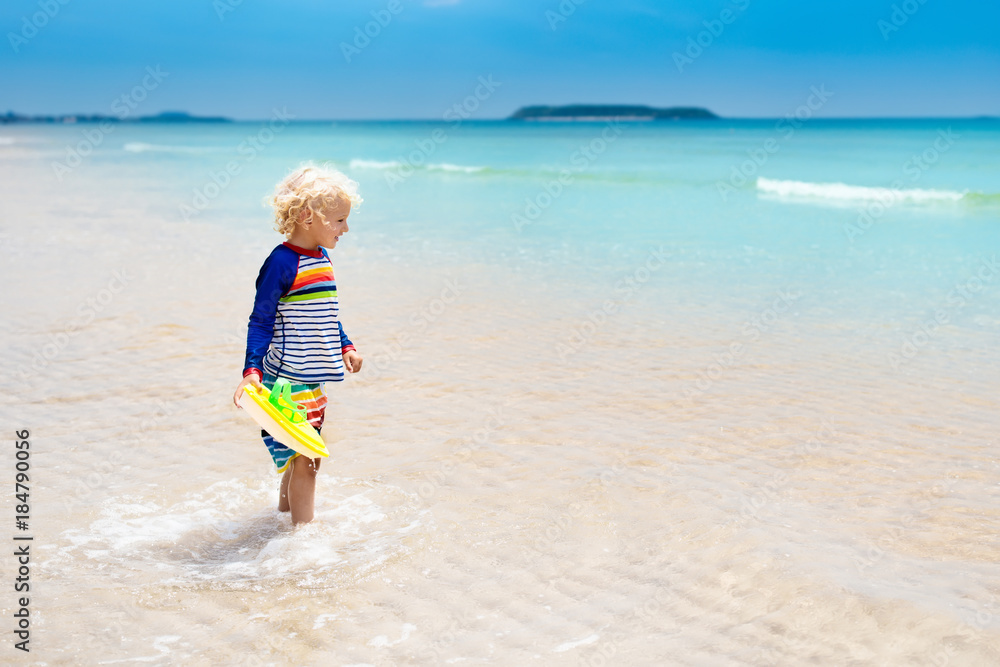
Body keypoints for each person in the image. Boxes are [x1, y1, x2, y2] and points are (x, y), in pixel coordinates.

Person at [233, 165, 364, 525]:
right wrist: (251, 370)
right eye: (339, 220)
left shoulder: (321, 258)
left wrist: (346, 346)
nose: (346, 228)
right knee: (306, 457)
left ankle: (281, 520)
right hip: (287, 381)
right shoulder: (281, 263)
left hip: (312, 381)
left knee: (302, 455)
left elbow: (325, 314)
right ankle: (302, 540)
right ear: (308, 217)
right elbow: (261, 320)